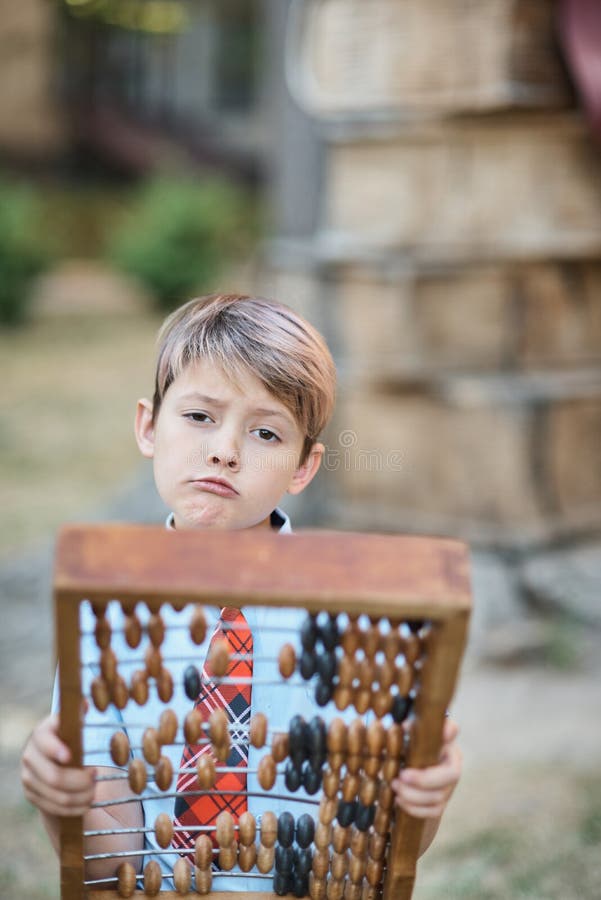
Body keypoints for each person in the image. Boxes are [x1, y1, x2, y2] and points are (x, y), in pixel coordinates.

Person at [21, 293, 462, 890]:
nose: (225, 451)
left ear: (303, 468)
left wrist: (423, 797)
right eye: (200, 417)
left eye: (264, 433)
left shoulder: (359, 621)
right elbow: (107, 865)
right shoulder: (107, 618)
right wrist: (63, 801)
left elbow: (381, 841)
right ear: (149, 426)